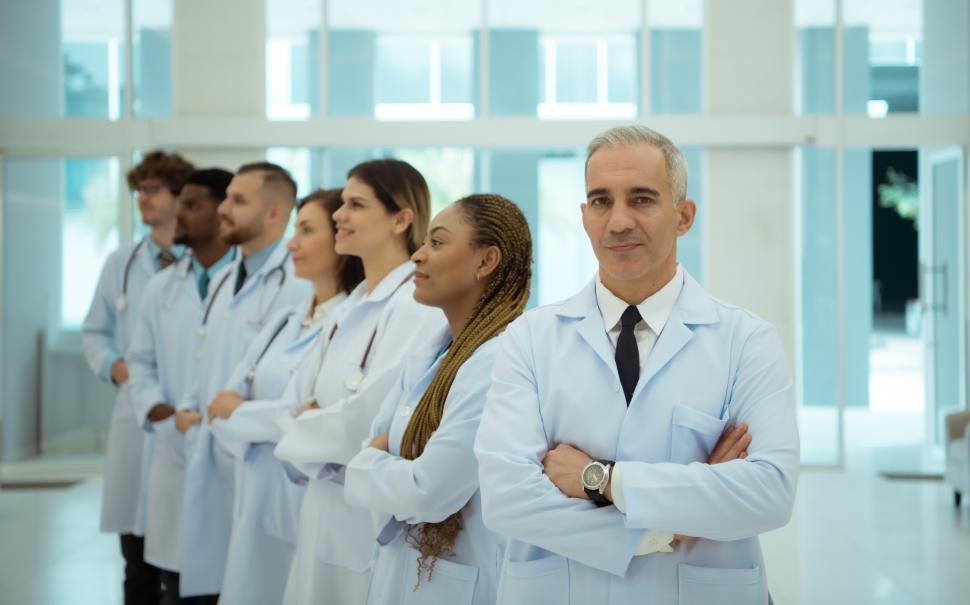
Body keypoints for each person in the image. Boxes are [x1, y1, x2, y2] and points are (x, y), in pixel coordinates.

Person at [474, 124, 799, 604]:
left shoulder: (745, 340)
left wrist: (602, 479)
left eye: (642, 199)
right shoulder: (531, 339)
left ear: (684, 216)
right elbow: (505, 497)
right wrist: (660, 531)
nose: (618, 221)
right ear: (584, 216)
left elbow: (769, 492)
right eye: (601, 201)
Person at [343, 194, 531, 605]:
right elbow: (383, 446)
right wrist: (382, 461)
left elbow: (429, 491)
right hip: (406, 572)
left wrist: (369, 463)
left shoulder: (498, 363)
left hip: (456, 582)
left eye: (437, 243)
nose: (417, 256)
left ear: (486, 261)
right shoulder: (431, 353)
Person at [274, 159, 446, 605]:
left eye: (355, 204)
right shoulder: (352, 303)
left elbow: (369, 420)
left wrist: (307, 430)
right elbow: (289, 403)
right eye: (341, 205)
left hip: (364, 518)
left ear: (401, 219)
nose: (338, 215)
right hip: (325, 504)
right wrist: (312, 434)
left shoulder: (415, 303)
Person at [209, 189, 364, 605]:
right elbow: (220, 408)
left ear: (342, 240)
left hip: (306, 501)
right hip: (256, 497)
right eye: (295, 230)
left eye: (307, 230)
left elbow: (324, 419)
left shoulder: (353, 324)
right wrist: (279, 421)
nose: (291, 243)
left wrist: (247, 414)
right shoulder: (283, 321)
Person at [177, 162, 310, 601]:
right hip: (214, 447)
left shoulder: (299, 284)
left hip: (263, 459)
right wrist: (191, 406)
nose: (223, 210)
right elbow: (206, 357)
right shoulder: (222, 280)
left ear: (274, 213)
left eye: (238, 200)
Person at [81, 150, 195, 605]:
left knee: (185, 560)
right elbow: (95, 330)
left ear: (178, 195)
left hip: (184, 416)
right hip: (134, 415)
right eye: (139, 190)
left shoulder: (204, 263)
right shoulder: (121, 262)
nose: (142, 198)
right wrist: (113, 364)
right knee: (137, 562)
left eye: (153, 189)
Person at [126, 168, 236, 604]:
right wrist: (159, 411)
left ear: (222, 211)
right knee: (178, 585)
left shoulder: (255, 285)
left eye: (193, 205)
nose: (180, 214)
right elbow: (140, 360)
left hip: (231, 450)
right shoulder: (161, 287)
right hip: (175, 446)